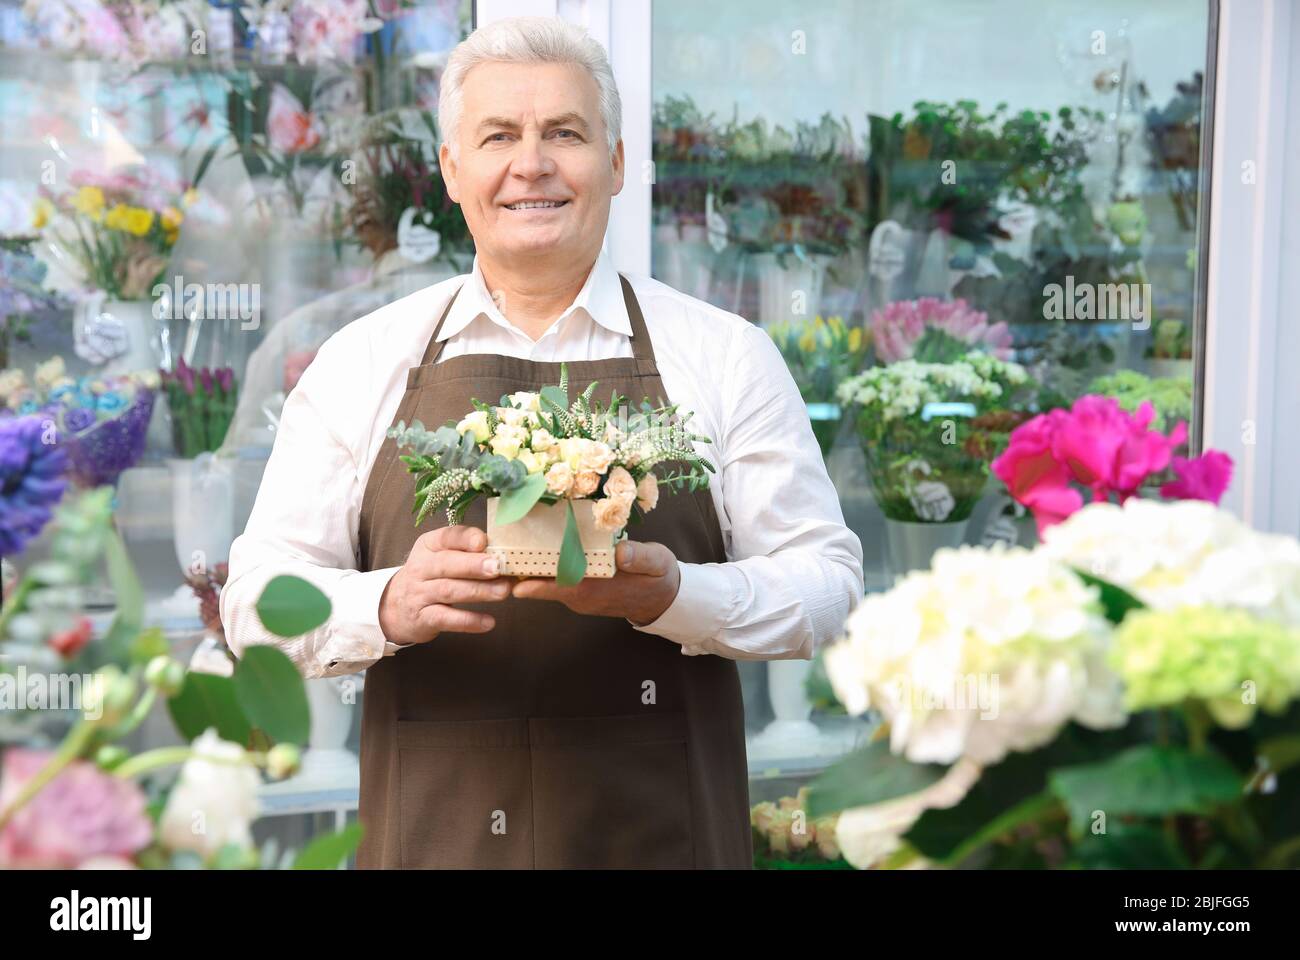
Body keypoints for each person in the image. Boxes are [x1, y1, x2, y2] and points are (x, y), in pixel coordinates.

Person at [220, 15, 863, 870]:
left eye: (565, 133)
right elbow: (256, 606)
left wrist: (673, 595)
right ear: (453, 171)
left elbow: (829, 588)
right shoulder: (364, 361)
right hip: (431, 840)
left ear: (618, 162)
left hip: (666, 838)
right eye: (498, 137)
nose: (532, 165)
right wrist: (388, 606)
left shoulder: (723, 354)